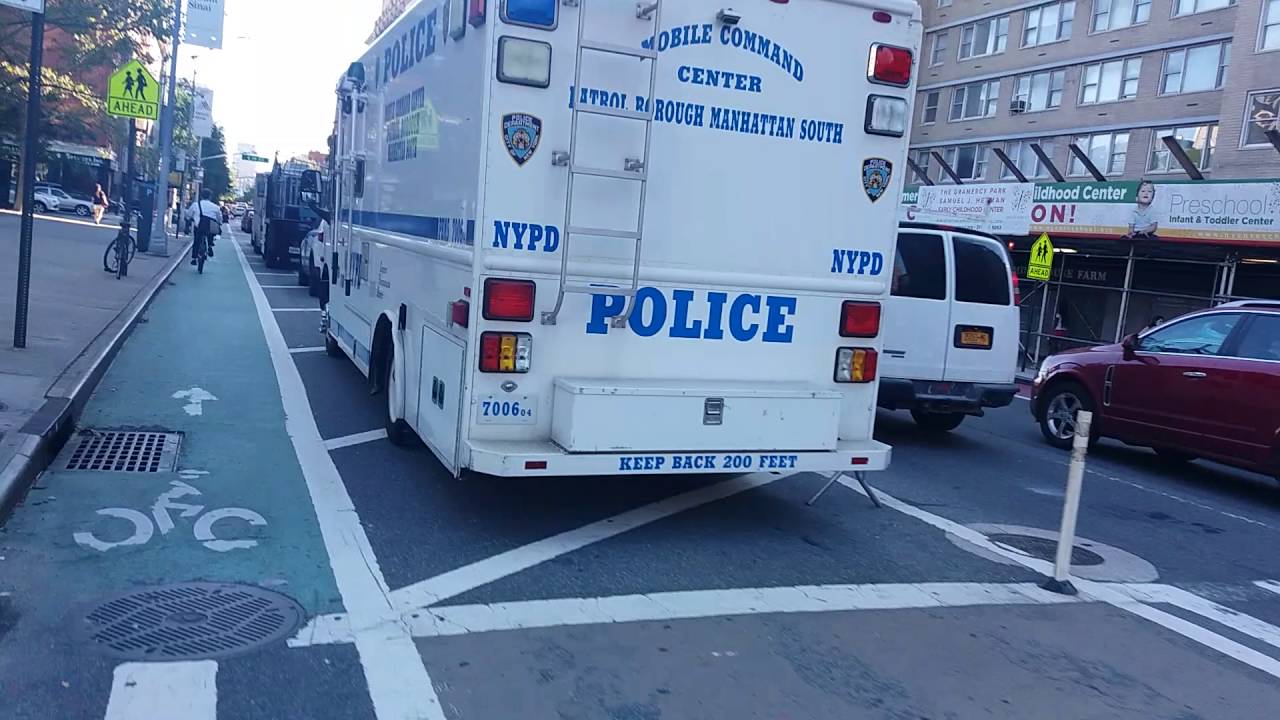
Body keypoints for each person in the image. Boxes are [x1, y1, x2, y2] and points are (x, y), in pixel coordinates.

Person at [185, 189, 222, 265]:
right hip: (210, 227)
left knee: (196, 241)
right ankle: (210, 245)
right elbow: (219, 219)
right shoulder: (215, 207)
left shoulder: (195, 205)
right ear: (210, 197)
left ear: (201, 196)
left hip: (198, 226)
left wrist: (190, 219)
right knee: (211, 233)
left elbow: (188, 215)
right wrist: (219, 223)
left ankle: (194, 258)